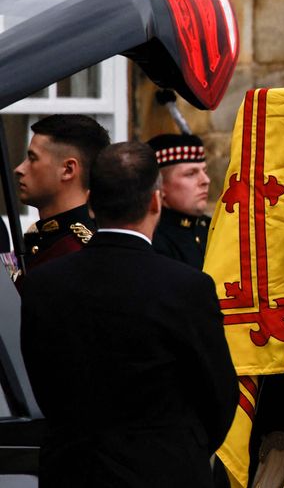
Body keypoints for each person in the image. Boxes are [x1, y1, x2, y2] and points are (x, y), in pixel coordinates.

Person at [20, 141, 238, 487]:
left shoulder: (42, 283)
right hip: (165, 470)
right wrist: (183, 449)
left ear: (91, 204)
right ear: (156, 201)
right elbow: (219, 395)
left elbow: (43, 385)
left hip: (74, 471)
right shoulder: (186, 287)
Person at [12, 114, 110, 274]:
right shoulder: (40, 237)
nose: (19, 169)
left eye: (33, 158)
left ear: (68, 170)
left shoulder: (79, 253)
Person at [148, 133, 211, 269]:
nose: (206, 180)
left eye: (205, 171)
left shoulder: (211, 229)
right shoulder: (154, 240)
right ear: (160, 185)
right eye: (191, 174)